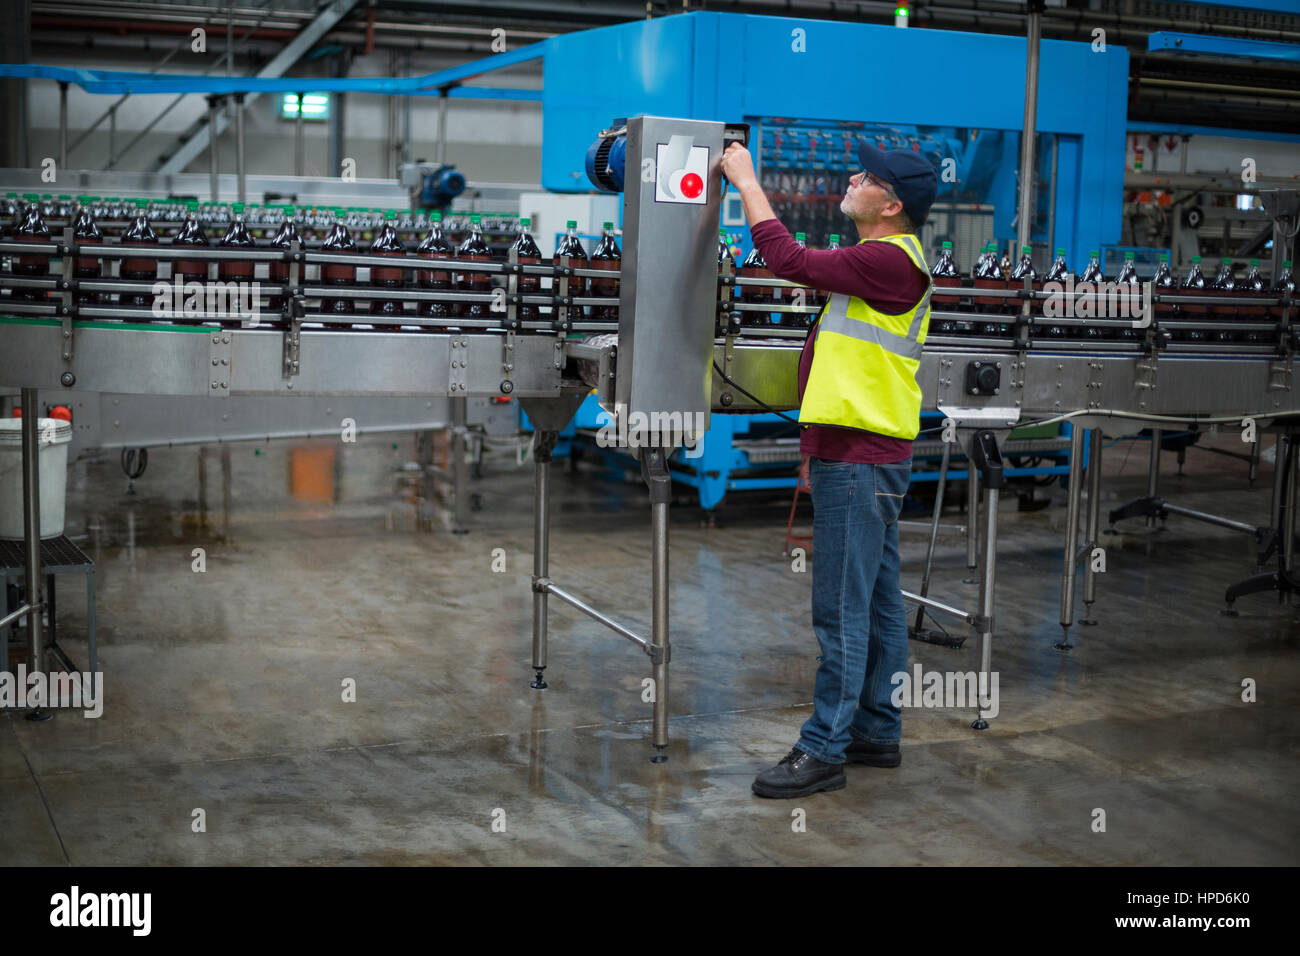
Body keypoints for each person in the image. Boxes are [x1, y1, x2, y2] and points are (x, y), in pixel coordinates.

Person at [719, 139, 938, 799]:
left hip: (863, 458)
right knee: (876, 602)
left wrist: (744, 178)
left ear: (891, 203)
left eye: (866, 176)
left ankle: (824, 748)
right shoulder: (887, 260)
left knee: (840, 606)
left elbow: (786, 258)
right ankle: (876, 728)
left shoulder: (887, 259)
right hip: (865, 452)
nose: (852, 177)